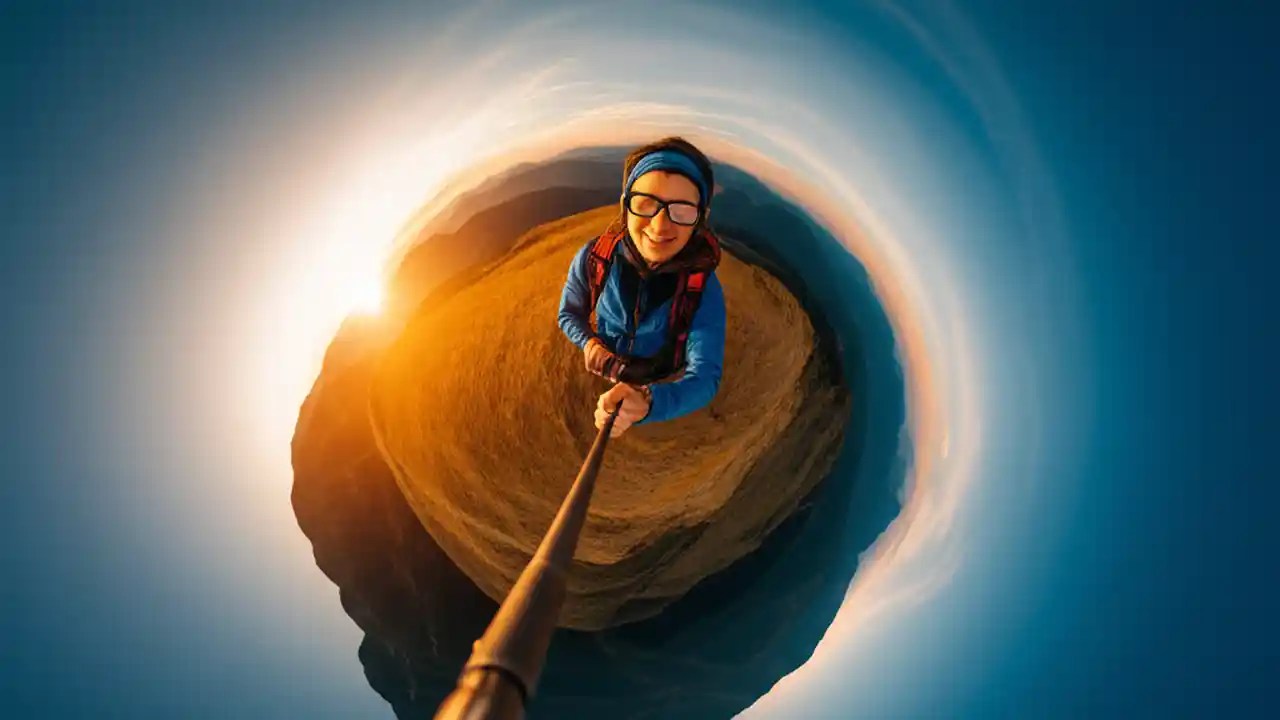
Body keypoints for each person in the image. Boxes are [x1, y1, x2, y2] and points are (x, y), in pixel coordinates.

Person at [557, 137, 726, 437]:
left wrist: (650, 402)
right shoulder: (595, 257)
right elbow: (569, 314)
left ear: (700, 220)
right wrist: (589, 343)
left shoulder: (701, 288)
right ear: (625, 206)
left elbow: (704, 377)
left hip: (657, 372)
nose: (660, 226)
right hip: (611, 361)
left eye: (682, 210)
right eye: (646, 204)